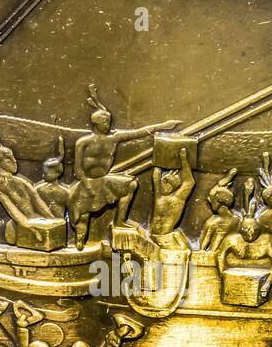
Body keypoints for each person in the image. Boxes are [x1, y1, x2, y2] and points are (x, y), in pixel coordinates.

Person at [68, 88, 151, 246]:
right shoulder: (83, 142)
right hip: (87, 183)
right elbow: (78, 170)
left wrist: (162, 126)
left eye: (109, 122)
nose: (108, 125)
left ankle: (120, 220)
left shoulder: (114, 139)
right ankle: (79, 240)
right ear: (96, 123)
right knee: (82, 215)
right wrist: (87, 185)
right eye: (105, 122)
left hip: (105, 180)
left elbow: (138, 133)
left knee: (131, 184)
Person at [147, 145, 196, 248]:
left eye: (167, 182)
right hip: (153, 237)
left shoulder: (177, 199)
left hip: (165, 238)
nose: (163, 184)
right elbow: (156, 175)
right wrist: (160, 155)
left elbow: (189, 182)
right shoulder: (159, 196)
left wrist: (183, 159)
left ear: (173, 187)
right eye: (163, 181)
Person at [198, 168, 240, 251]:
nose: (209, 198)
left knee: (215, 239)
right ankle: (204, 252)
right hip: (222, 219)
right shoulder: (218, 200)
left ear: (221, 199)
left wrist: (229, 177)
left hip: (225, 221)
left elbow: (213, 192)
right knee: (209, 233)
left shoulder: (217, 203)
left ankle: (206, 252)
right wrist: (229, 177)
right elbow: (215, 190)